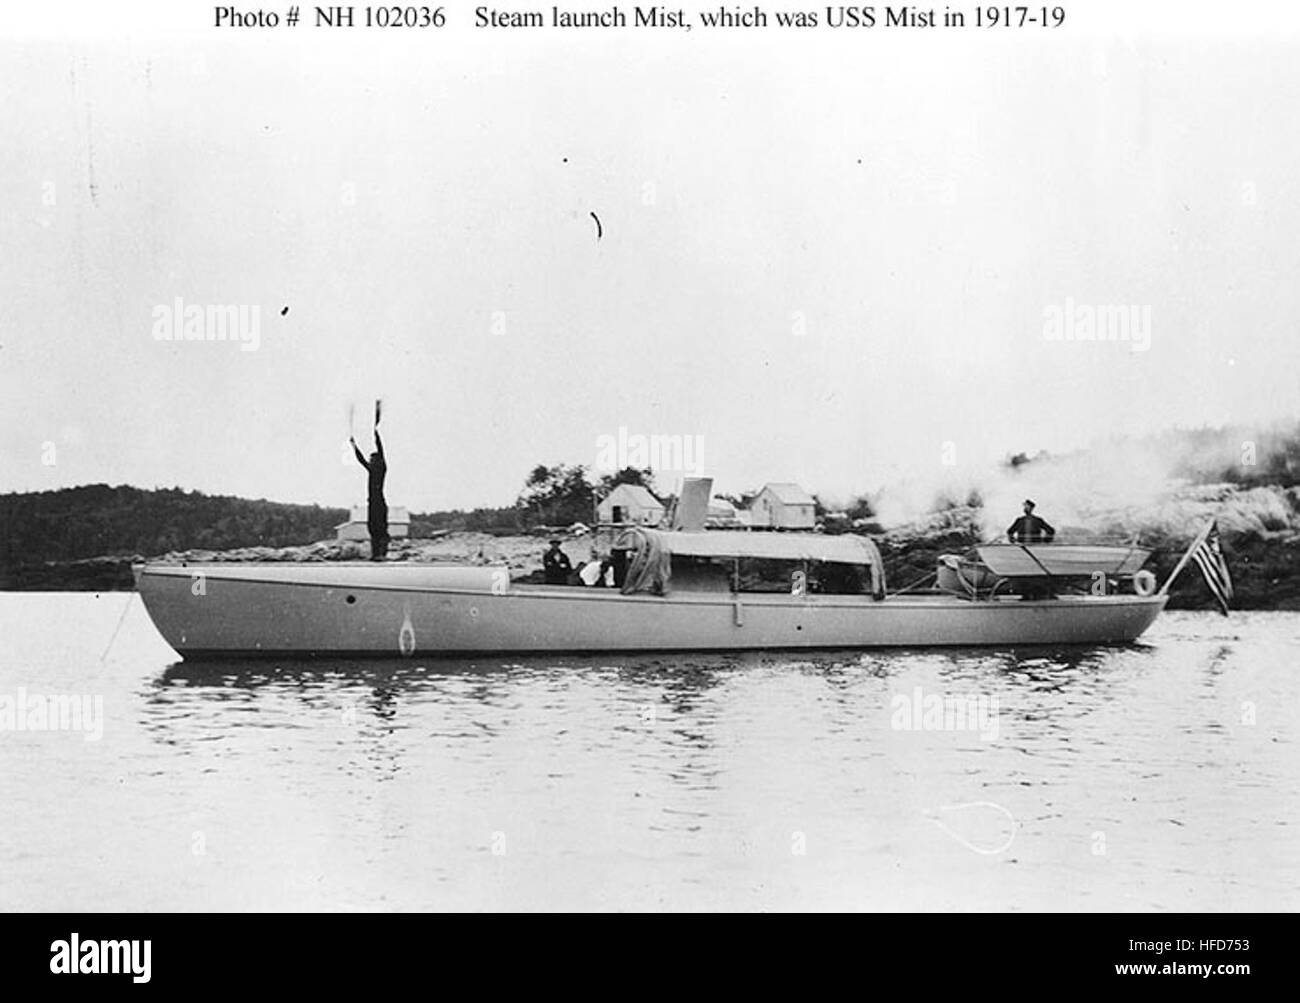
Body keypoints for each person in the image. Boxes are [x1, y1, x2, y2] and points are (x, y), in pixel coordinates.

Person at [351, 429, 389, 561]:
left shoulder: (382, 468)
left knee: (380, 529)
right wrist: (354, 446)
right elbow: (361, 460)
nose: (370, 461)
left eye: (372, 459)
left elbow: (381, 450)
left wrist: (376, 435)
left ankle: (382, 553)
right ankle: (375, 554)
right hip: (372, 503)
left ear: (378, 461)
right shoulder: (371, 471)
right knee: (373, 529)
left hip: (379, 503)